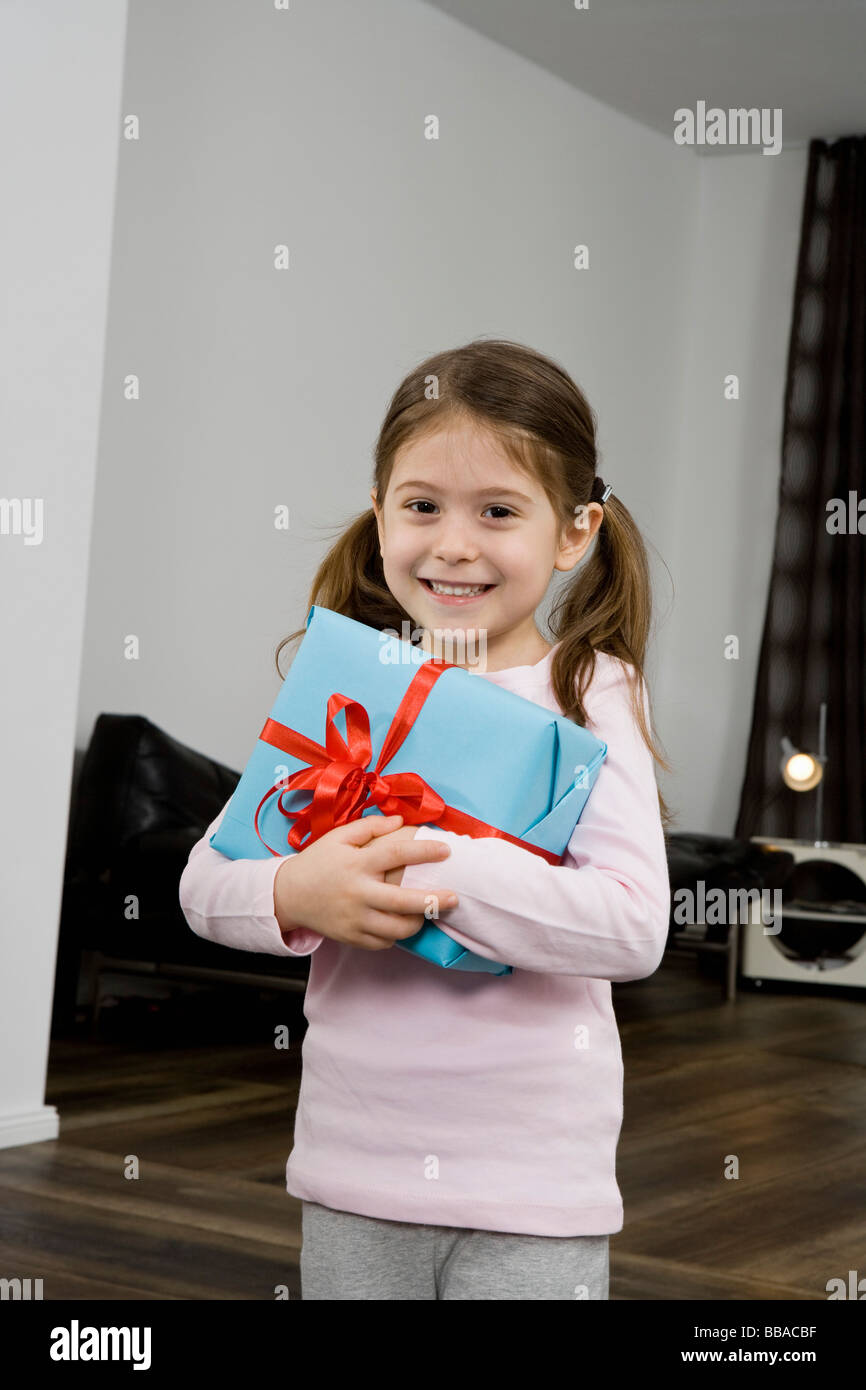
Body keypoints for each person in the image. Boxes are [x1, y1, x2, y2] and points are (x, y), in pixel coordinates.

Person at [179, 337, 674, 1300]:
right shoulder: (351, 692)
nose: (453, 543)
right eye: (421, 507)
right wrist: (301, 889)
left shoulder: (591, 691)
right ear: (379, 516)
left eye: (498, 511)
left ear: (574, 533)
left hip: (535, 1188)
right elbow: (206, 883)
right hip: (354, 1172)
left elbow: (631, 926)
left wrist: (432, 871)